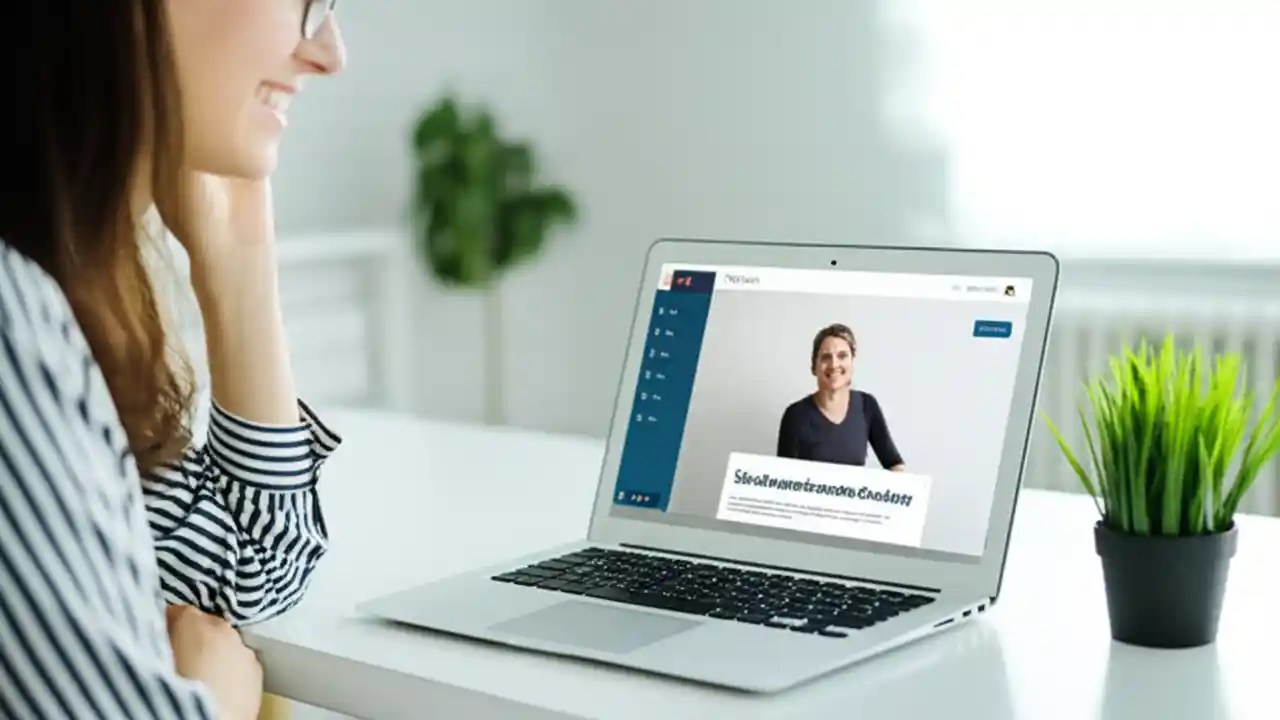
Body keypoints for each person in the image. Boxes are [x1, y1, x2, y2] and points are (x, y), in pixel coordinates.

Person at [1, 2, 346, 719]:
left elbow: (249, 567)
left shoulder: (53, 294)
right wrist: (213, 704)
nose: (327, 52)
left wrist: (240, 255)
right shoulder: (12, 319)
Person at [777, 324, 906, 471]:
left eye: (842, 356)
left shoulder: (867, 405)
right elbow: (783, 477)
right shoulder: (795, 415)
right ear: (814, 366)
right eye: (826, 357)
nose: (834, 364)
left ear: (852, 363)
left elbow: (894, 463)